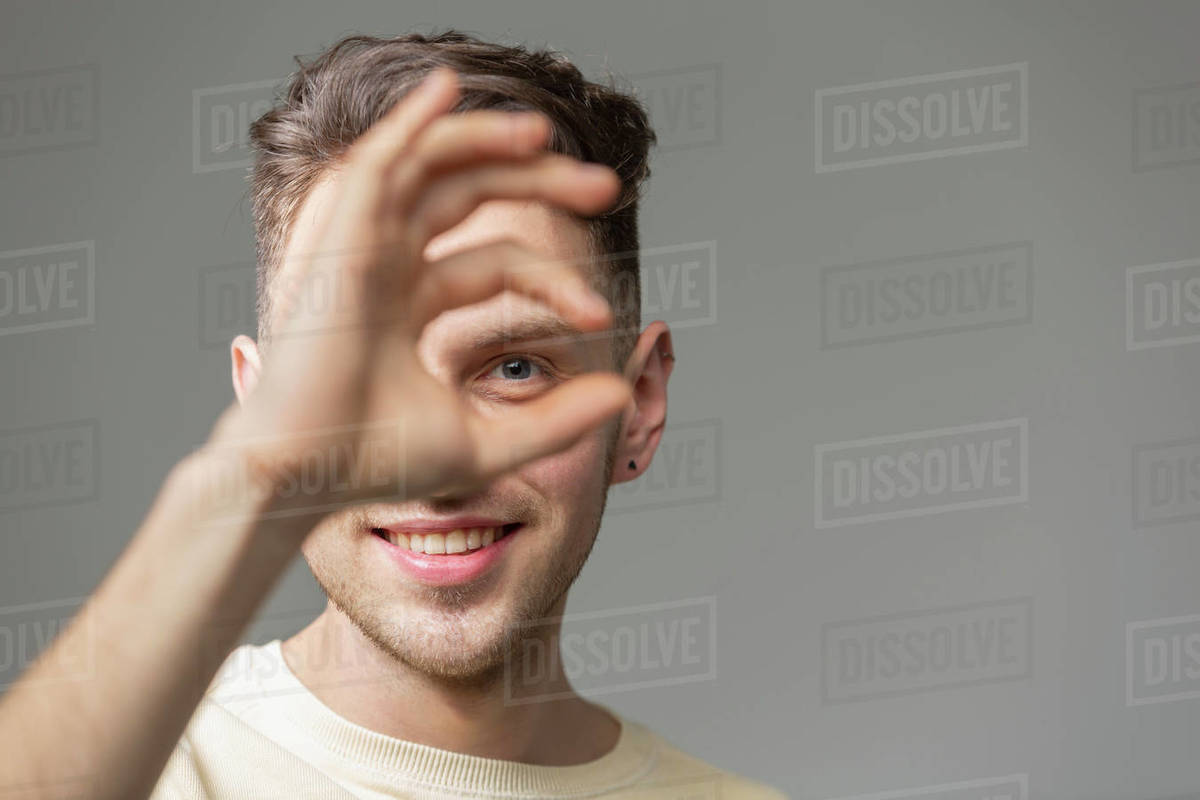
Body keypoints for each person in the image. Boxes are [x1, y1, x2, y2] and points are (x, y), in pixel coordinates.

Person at [0, 31, 785, 800]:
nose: (433, 461)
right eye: (359, 374)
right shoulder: (144, 772)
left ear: (640, 404)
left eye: (515, 367)